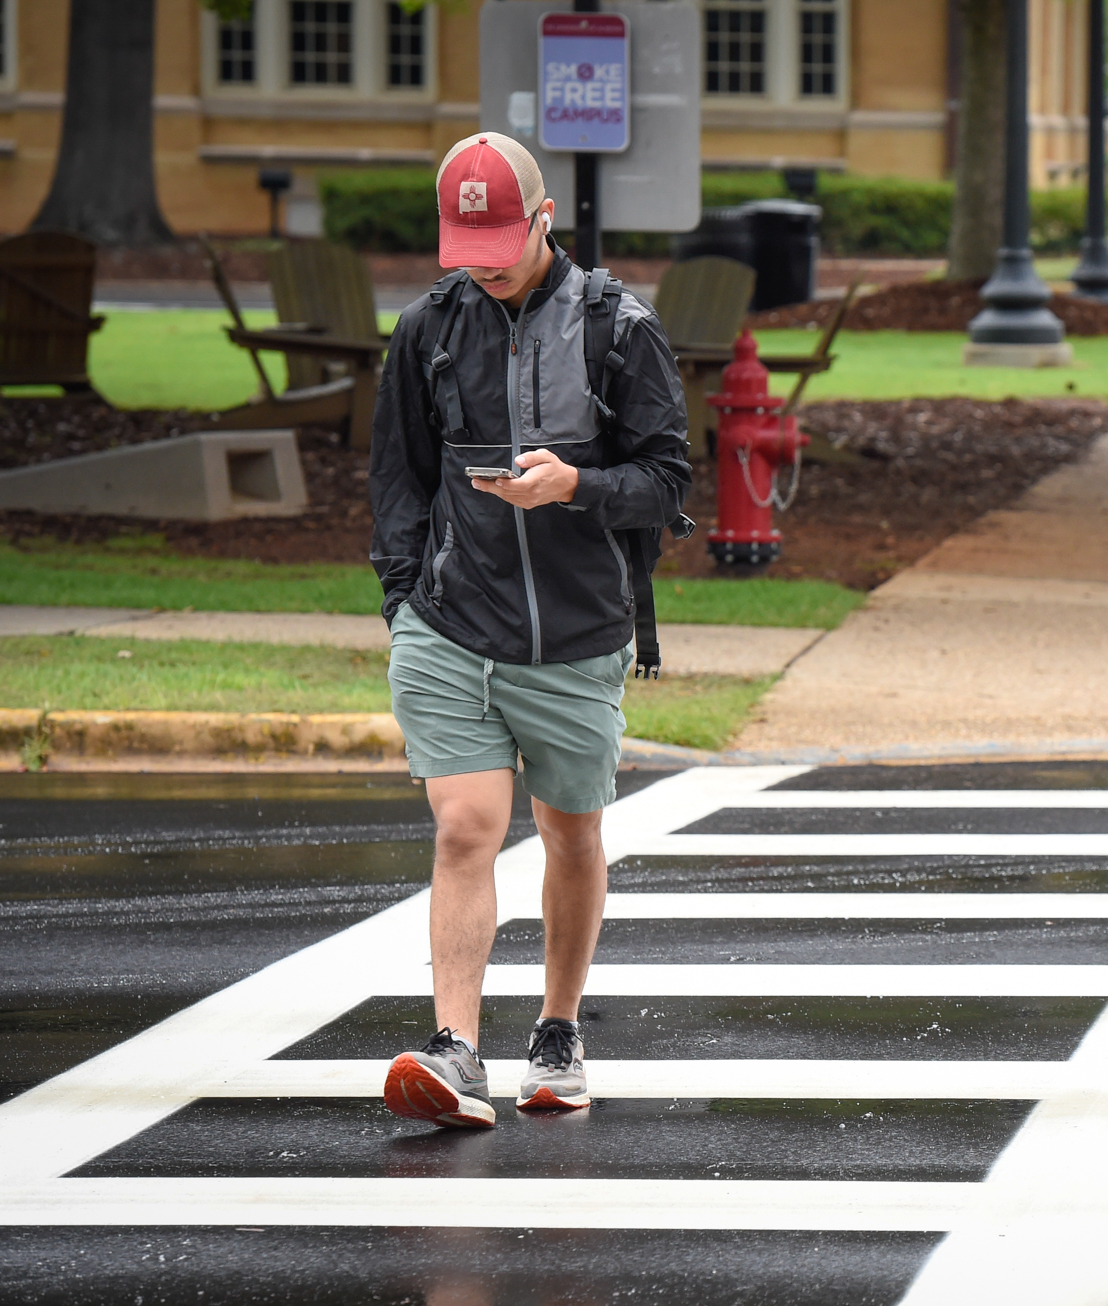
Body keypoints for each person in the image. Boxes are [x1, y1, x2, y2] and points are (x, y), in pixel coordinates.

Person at [369, 132, 691, 1128]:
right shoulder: (427, 329)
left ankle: (556, 1030)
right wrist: (401, 603)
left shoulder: (620, 329)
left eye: (503, 236)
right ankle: (456, 1048)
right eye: (470, 239)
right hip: (451, 625)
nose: (487, 258)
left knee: (570, 831)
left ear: (546, 219)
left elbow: (670, 484)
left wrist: (578, 486)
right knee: (466, 826)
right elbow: (399, 479)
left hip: (577, 631)